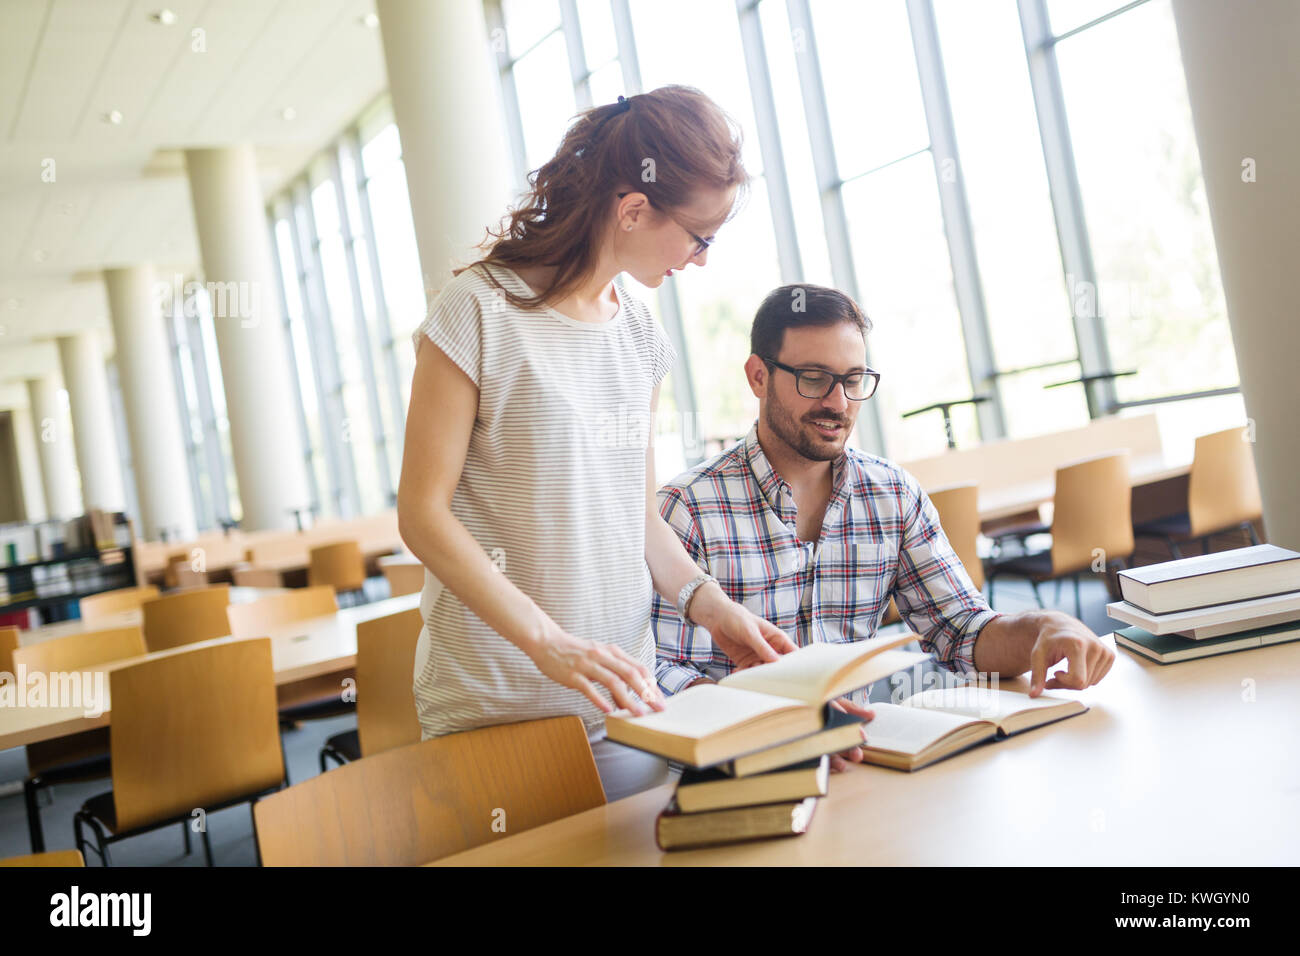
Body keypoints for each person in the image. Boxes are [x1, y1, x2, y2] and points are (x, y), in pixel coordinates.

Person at [396, 87, 797, 801]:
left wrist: (713, 608)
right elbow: (423, 515)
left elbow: (634, 516)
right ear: (634, 209)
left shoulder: (641, 336)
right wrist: (550, 645)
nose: (702, 259)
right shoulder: (477, 312)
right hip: (496, 708)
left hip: (620, 699)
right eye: (699, 236)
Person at [651, 283, 1116, 769]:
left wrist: (1045, 626)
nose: (838, 402)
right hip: (734, 775)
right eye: (814, 378)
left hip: (857, 766)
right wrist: (778, 720)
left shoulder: (892, 494)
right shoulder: (686, 508)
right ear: (758, 376)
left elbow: (961, 629)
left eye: (853, 380)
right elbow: (661, 672)